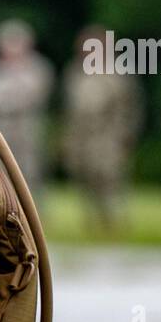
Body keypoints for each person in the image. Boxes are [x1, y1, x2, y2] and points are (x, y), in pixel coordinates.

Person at [62, 24, 143, 233]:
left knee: (110, 179)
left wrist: (126, 137)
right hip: (81, 137)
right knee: (84, 178)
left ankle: (114, 222)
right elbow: (70, 109)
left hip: (108, 137)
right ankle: (91, 222)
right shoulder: (75, 72)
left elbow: (130, 109)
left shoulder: (118, 73)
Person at [0, 19, 54, 198]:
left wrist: (10, 100)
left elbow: (34, 96)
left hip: (28, 130)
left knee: (30, 174)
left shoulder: (38, 68)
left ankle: (33, 217)